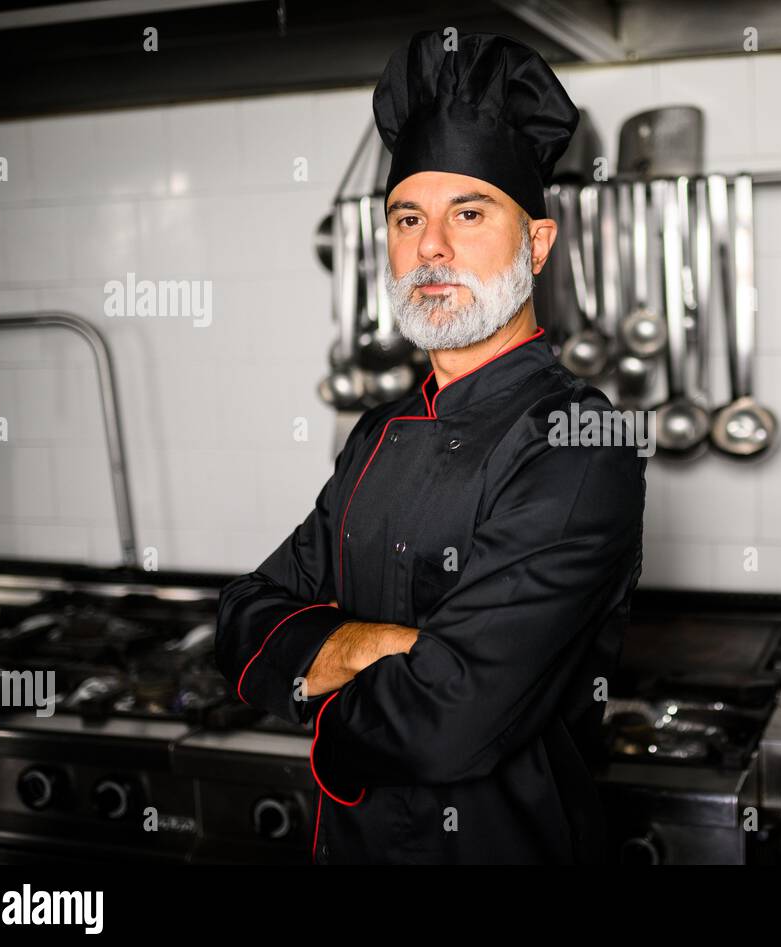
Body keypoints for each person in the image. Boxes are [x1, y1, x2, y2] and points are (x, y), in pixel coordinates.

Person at [214, 28, 647, 864]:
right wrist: (378, 647)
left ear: (537, 244)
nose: (433, 246)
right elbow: (241, 617)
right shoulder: (378, 431)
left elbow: (449, 717)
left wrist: (322, 671)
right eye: (408, 217)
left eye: (470, 213)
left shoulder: (580, 442)